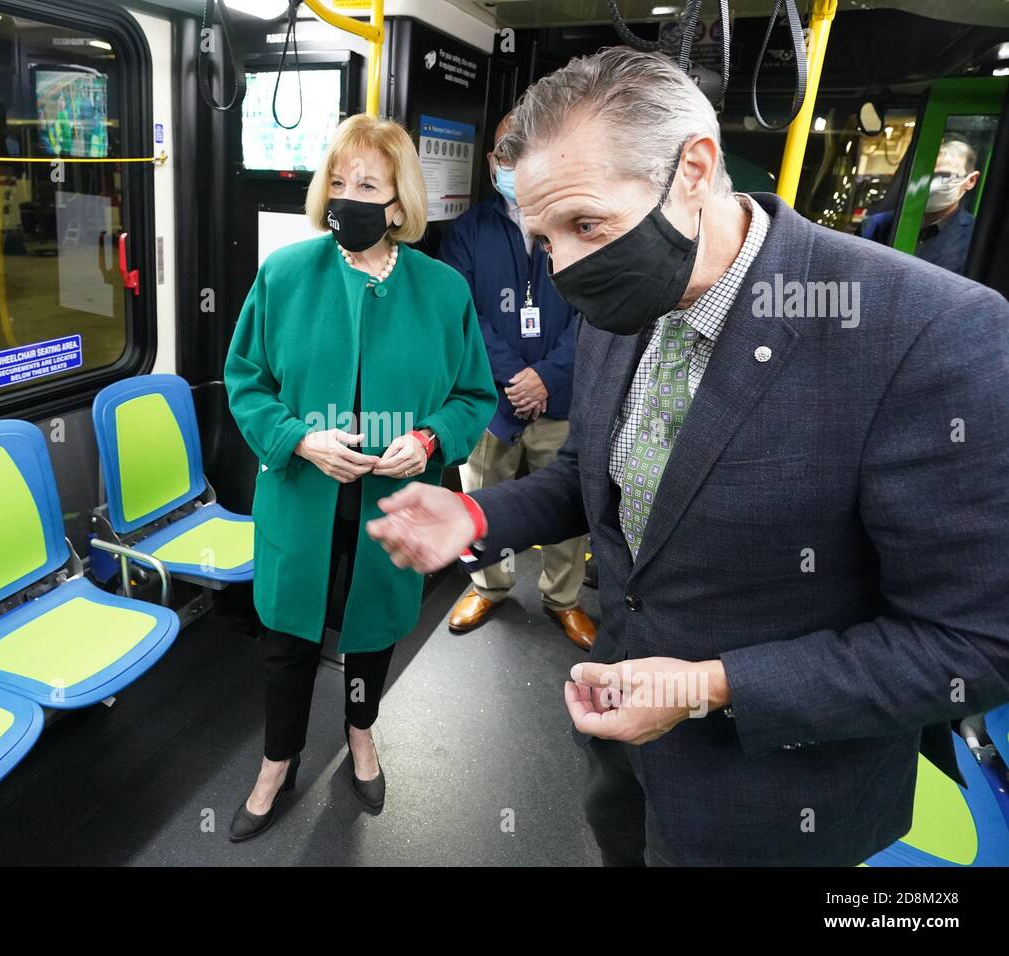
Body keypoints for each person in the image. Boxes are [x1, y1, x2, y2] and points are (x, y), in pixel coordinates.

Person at [366, 47, 1009, 866]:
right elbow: (598, 473)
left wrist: (708, 688)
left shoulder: (921, 333)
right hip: (619, 744)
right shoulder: (619, 298)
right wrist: (476, 511)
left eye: (586, 225)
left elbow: (974, 644)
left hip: (775, 799)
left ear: (694, 170)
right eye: (543, 238)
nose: (563, 267)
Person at [223, 113, 496, 842]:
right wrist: (298, 440)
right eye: (337, 182)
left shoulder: (443, 293)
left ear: (400, 204)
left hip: (392, 501)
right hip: (302, 494)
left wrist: (430, 439)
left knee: (372, 629)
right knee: (285, 634)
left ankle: (361, 731)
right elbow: (244, 379)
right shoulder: (286, 274)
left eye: (367, 185)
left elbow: (473, 395)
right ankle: (277, 760)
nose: (347, 197)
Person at [438, 112, 592, 649]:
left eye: (525, 152)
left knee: (568, 509)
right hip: (489, 402)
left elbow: (592, 314)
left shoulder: (579, 226)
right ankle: (490, 586)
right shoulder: (467, 232)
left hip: (563, 396)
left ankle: (564, 598)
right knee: (483, 498)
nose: (513, 163)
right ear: (491, 162)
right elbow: (463, 315)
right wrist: (514, 378)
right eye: (506, 152)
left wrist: (546, 377)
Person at [861, 136, 980, 274]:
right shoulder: (874, 226)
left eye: (944, 175)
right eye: (925, 175)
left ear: (970, 180)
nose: (932, 184)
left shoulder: (976, 237)